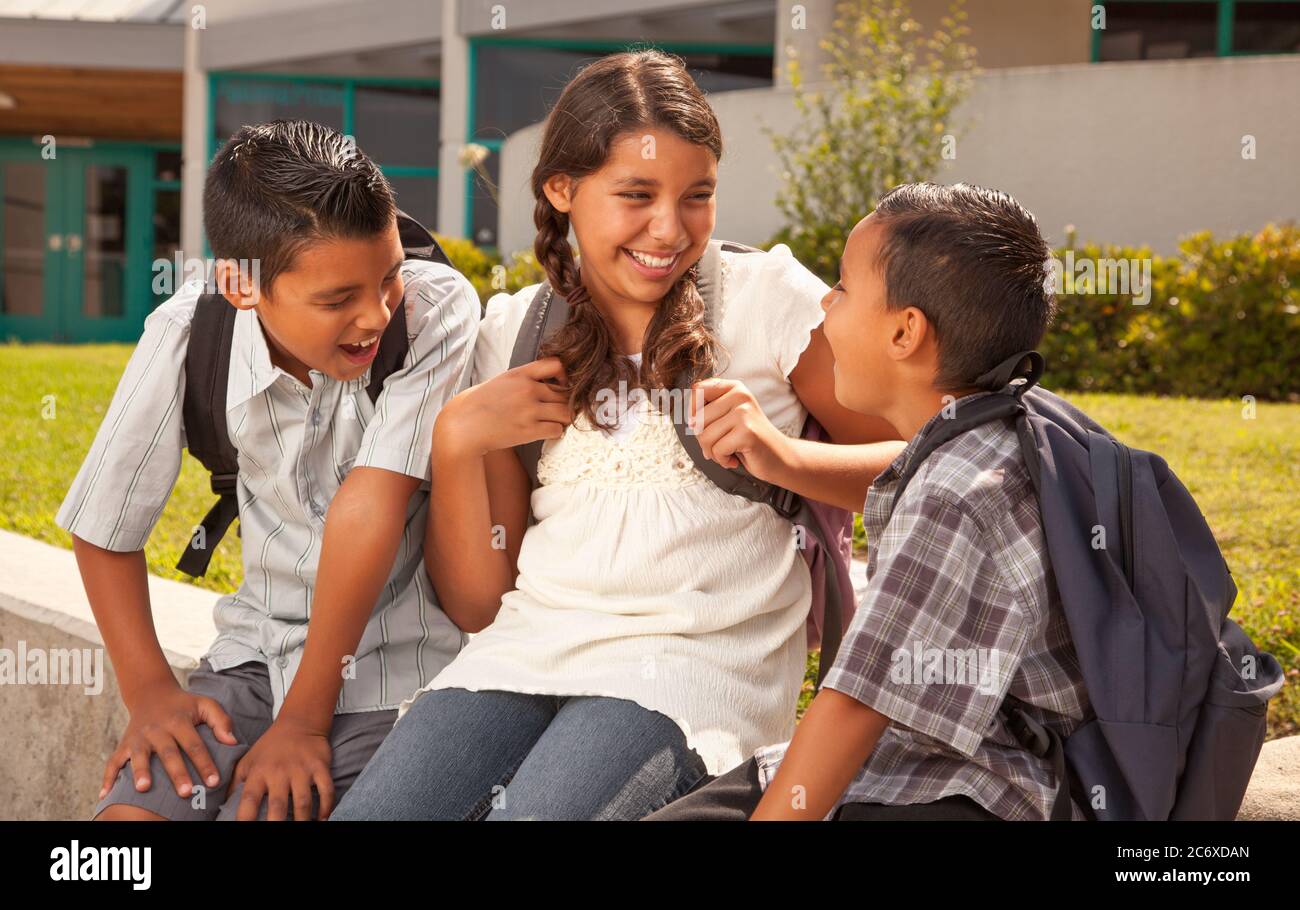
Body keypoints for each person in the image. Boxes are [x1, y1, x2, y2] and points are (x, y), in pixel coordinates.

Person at [331, 50, 901, 821]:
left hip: (691, 669)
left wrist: (785, 456)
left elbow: (933, 466)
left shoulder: (764, 299)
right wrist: (459, 437)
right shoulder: (516, 331)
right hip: (523, 655)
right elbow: (479, 604)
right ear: (562, 188)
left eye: (696, 197)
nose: (670, 229)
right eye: (636, 195)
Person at [60, 120, 479, 821]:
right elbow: (105, 521)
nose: (375, 315)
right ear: (242, 285)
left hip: (397, 674)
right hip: (254, 659)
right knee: (124, 827)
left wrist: (304, 724)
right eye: (337, 299)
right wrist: (150, 693)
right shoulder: (190, 332)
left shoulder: (435, 312)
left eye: (387, 277)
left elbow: (370, 509)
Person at [647, 182, 1091, 821]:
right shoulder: (990, 429)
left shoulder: (956, 491)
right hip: (929, 752)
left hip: (985, 785)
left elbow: (855, 707)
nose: (825, 302)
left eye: (844, 288)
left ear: (906, 331)